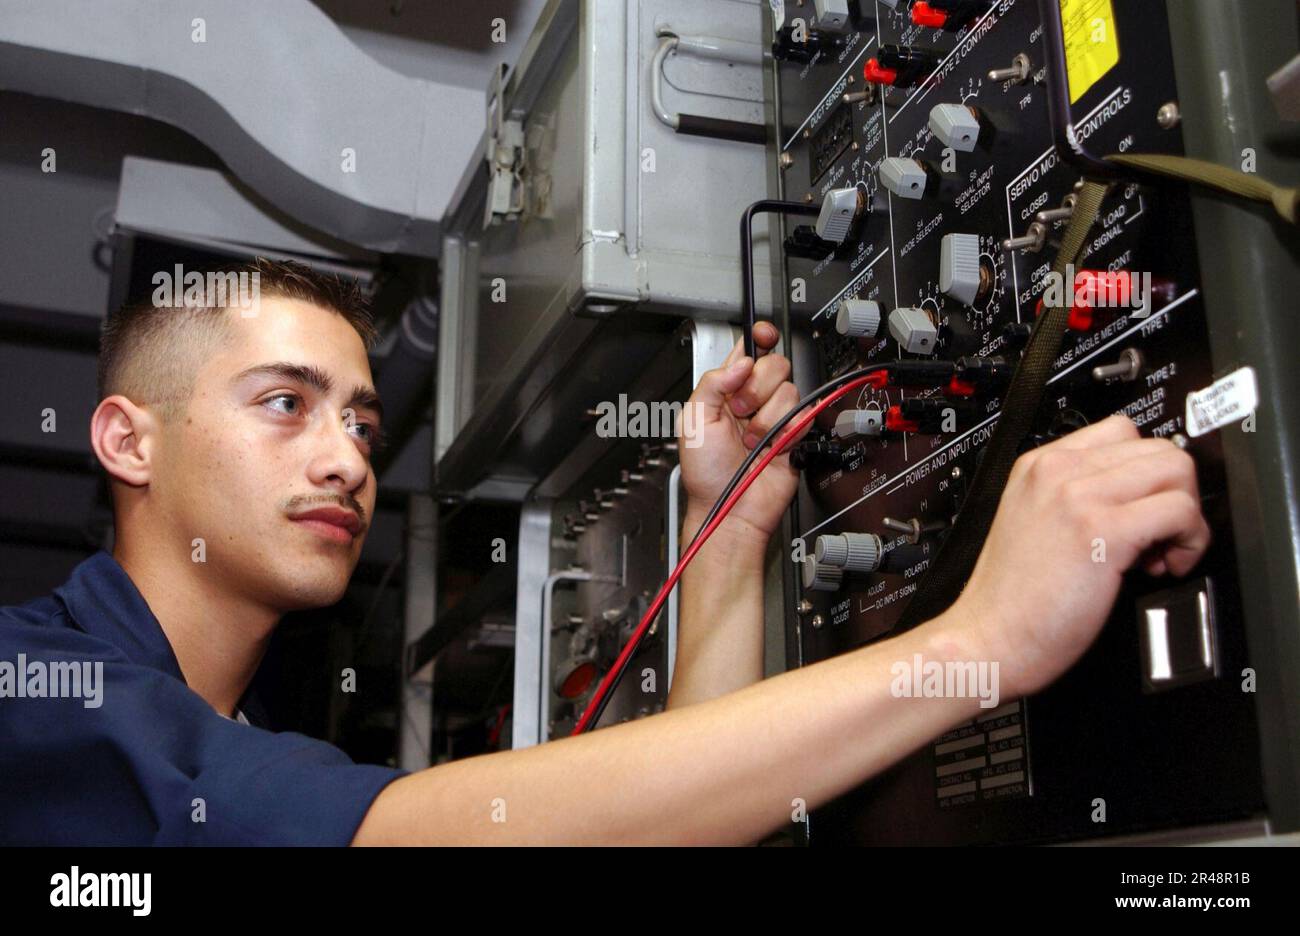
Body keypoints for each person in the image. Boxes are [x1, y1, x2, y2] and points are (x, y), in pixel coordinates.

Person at [0, 259, 1210, 845]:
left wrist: (724, 535)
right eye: (285, 405)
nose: (347, 461)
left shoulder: (260, 749)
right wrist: (977, 642)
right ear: (128, 440)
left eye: (364, 422)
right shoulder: (36, 698)